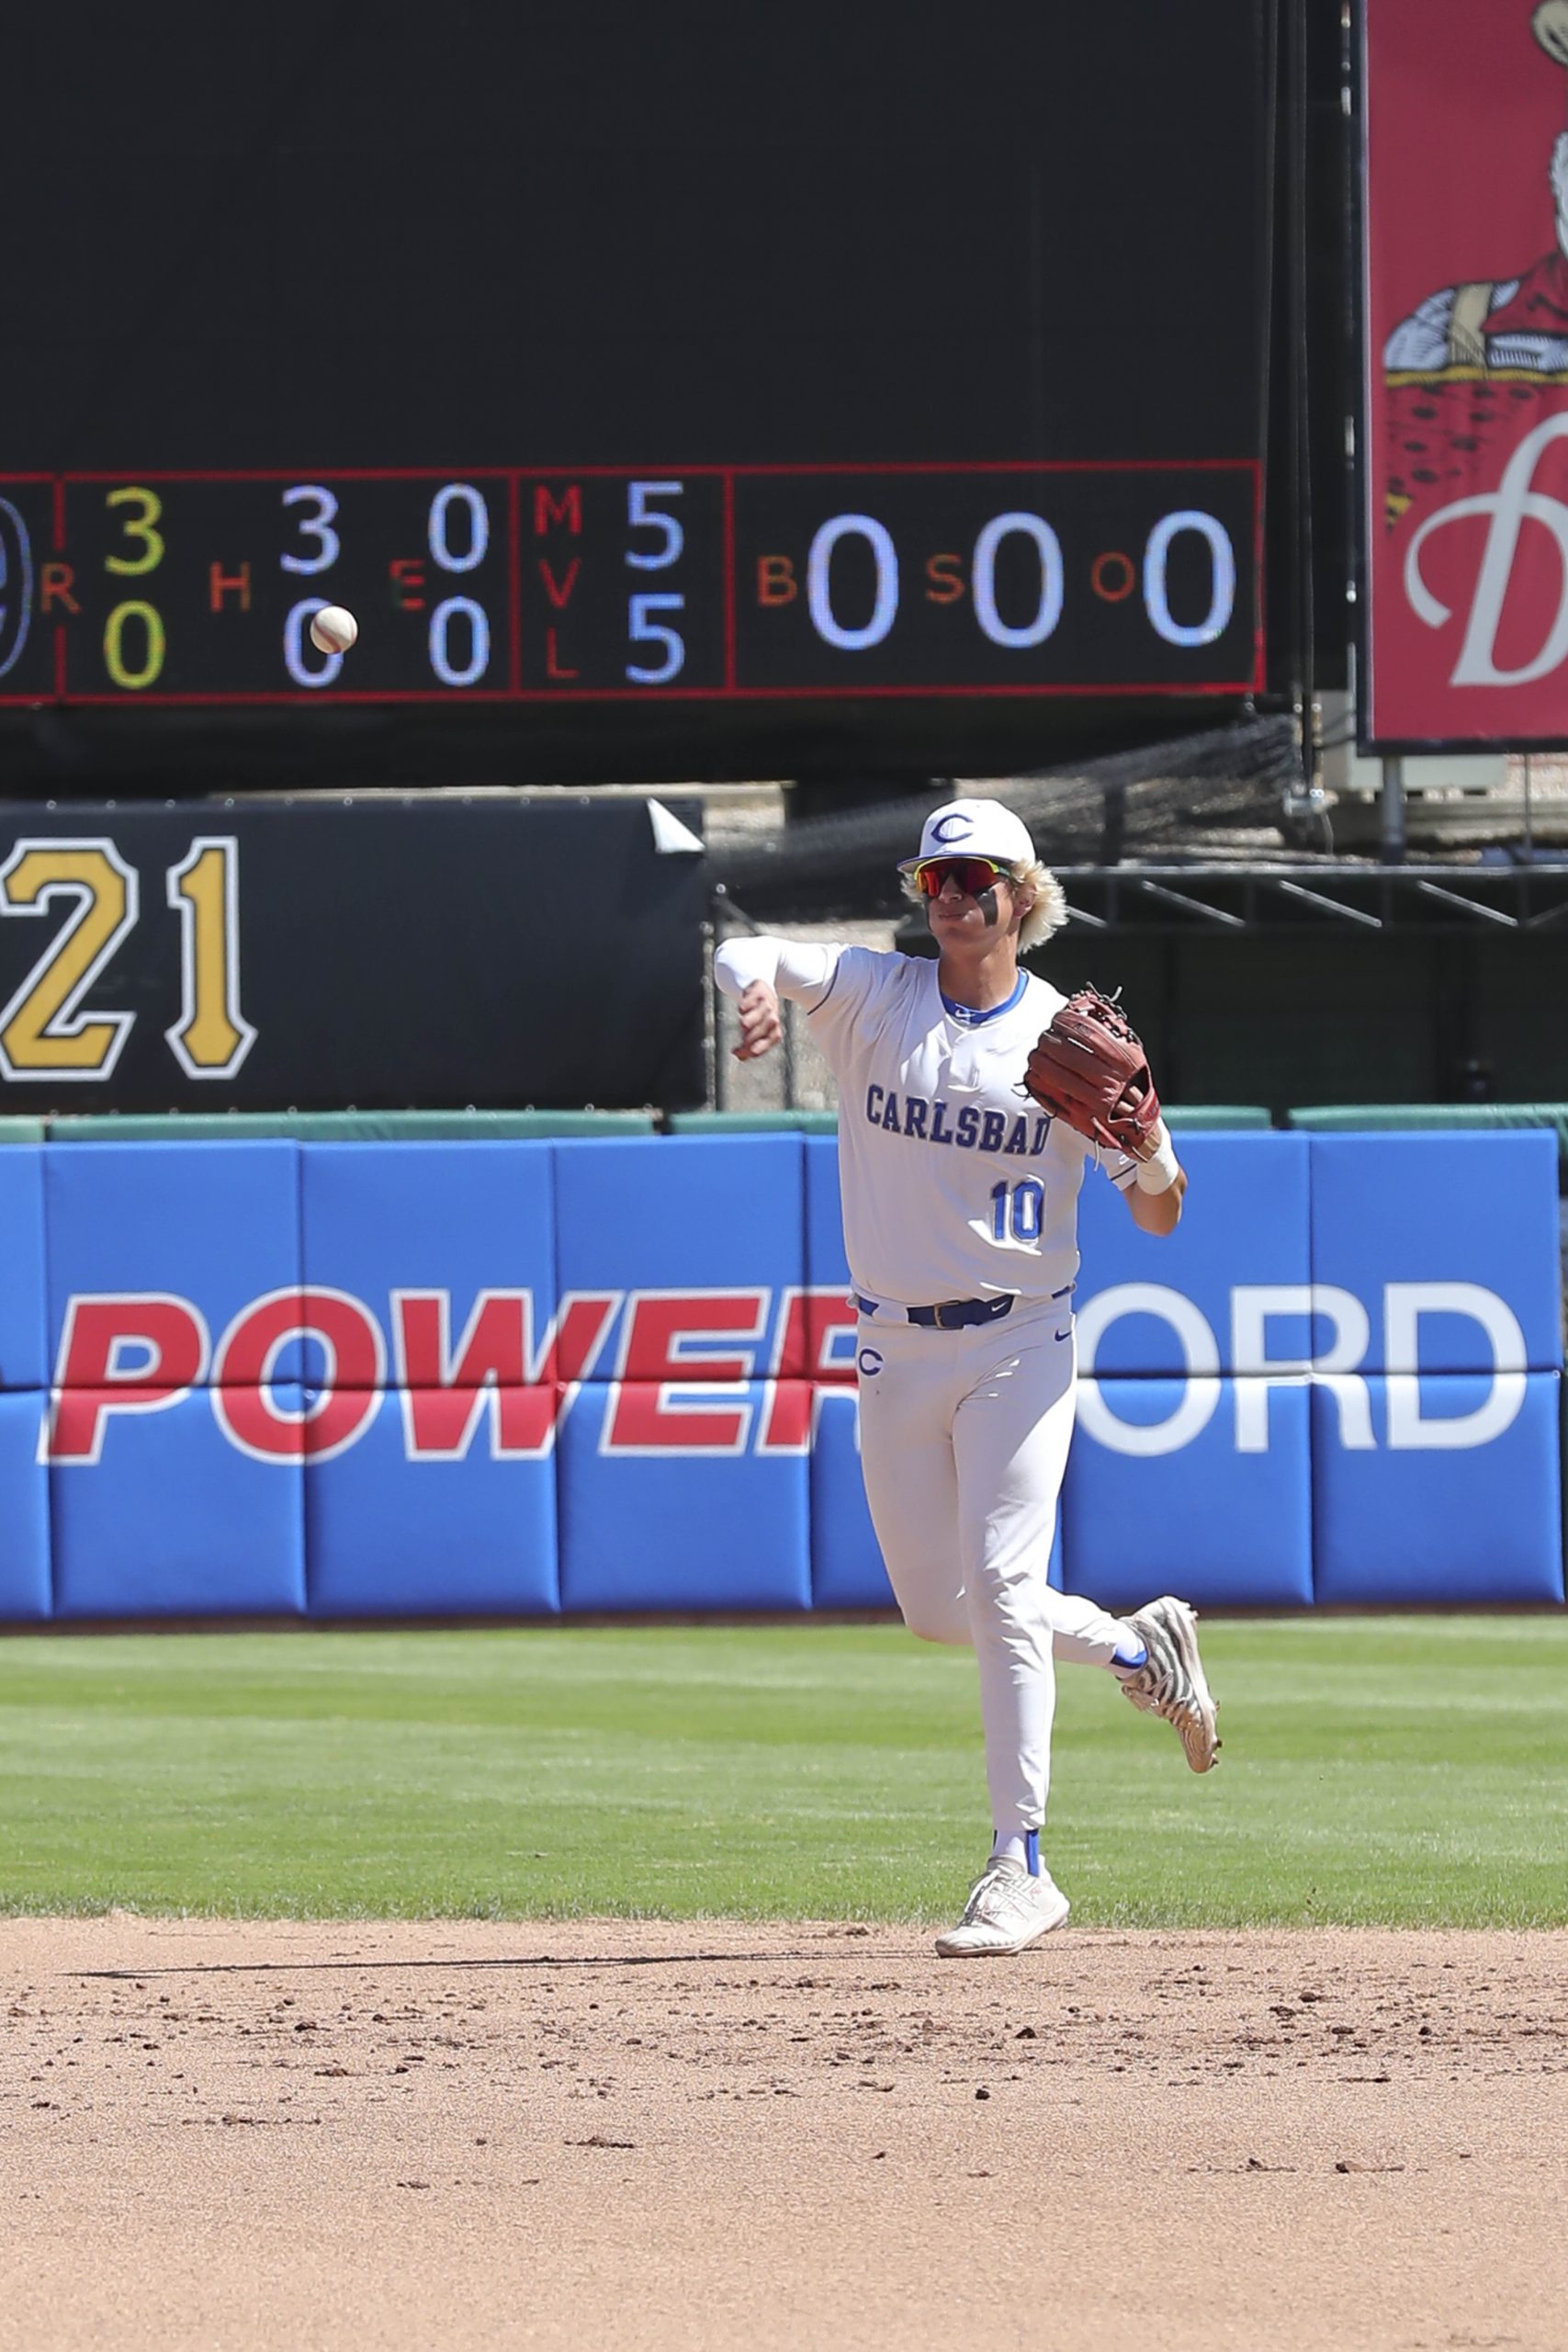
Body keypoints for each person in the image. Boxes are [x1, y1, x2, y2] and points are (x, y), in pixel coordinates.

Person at [714, 796, 1219, 1960]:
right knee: (941, 1611)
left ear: (1023, 897)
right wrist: (748, 989)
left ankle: (1021, 1863)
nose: (950, 897)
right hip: (892, 1345)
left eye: (975, 879)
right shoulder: (873, 996)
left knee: (999, 1583)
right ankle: (1139, 1650)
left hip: (1018, 1340)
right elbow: (753, 948)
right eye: (934, 880)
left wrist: (1148, 1147)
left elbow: (1161, 1214)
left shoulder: (1061, 1040)